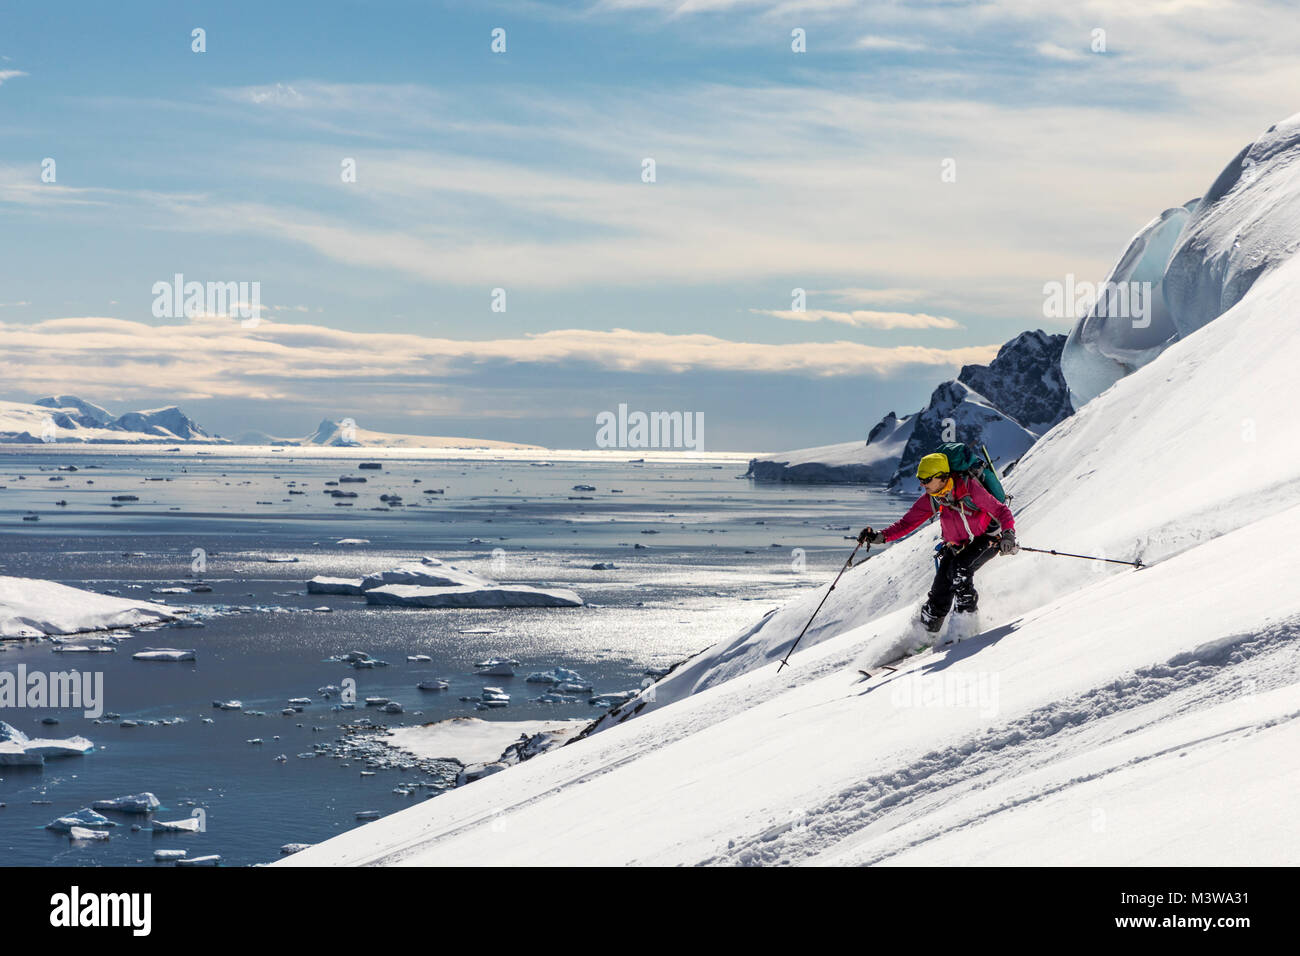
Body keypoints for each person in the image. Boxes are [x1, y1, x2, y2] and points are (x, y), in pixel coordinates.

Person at [857, 452, 1018, 635]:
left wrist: (1008, 534)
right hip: (957, 544)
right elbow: (907, 523)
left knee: (960, 569)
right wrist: (880, 536)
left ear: (942, 477)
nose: (922, 484)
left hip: (989, 537)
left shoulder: (969, 488)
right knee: (940, 590)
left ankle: (966, 628)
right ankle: (924, 634)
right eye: (920, 479)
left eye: (926, 480)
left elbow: (1001, 510)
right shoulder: (933, 497)